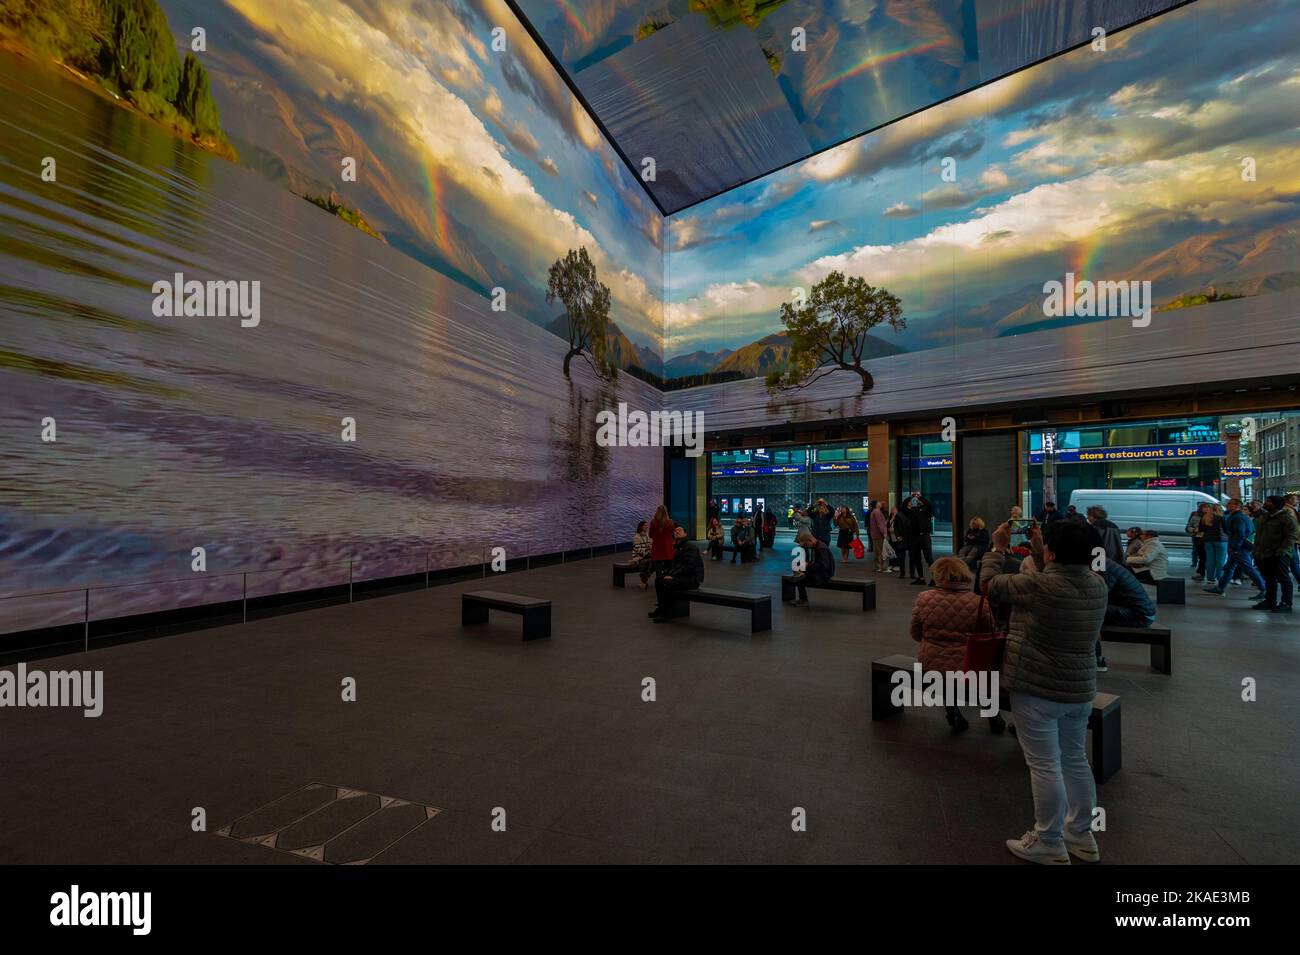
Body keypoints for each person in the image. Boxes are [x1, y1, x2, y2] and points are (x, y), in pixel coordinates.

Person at [981, 520, 1108, 865]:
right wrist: (1041, 548)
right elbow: (1060, 572)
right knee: (1075, 760)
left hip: (1036, 688)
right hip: (1080, 689)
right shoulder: (1098, 585)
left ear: (1052, 552)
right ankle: (1081, 834)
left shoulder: (1035, 586)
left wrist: (997, 548)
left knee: (1044, 764)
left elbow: (990, 585)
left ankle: (1048, 840)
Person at [909, 556, 1005, 734]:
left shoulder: (924, 598)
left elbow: (915, 633)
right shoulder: (979, 603)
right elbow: (989, 633)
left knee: (944, 676)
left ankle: (953, 713)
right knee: (982, 680)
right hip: (970, 663)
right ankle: (994, 717)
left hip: (932, 660)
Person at [1096, 560, 1156, 672]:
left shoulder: (1104, 569)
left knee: (1089, 612)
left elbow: (1099, 594)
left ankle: (1096, 660)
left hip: (1140, 615)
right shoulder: (1105, 564)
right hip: (1140, 611)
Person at [1206, 498, 1265, 597]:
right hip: (1239, 546)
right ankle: (1220, 588)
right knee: (1229, 568)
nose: (1228, 505)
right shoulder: (1238, 516)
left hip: (1240, 548)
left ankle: (1264, 589)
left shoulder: (1238, 518)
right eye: (1228, 503)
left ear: (1237, 506)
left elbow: (1240, 534)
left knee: (1248, 569)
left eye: (1230, 504)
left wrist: (1235, 548)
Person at [1253, 495, 1298, 613]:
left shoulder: (1287, 518)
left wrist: (1282, 551)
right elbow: (1259, 536)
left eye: (1269, 501)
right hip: (1264, 553)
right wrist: (1256, 550)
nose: (1266, 503)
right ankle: (1270, 601)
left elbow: (1291, 536)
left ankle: (1286, 603)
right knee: (1269, 578)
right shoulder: (1265, 517)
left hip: (1279, 554)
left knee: (1284, 578)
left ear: (1276, 504)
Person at [649, 526, 704, 622]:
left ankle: (667, 612)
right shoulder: (678, 547)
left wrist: (672, 576)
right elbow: (675, 566)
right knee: (659, 580)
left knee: (667, 583)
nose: (677, 531)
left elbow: (688, 566)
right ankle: (662, 608)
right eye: (675, 530)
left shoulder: (689, 546)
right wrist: (668, 574)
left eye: (680, 530)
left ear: (685, 534)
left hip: (693, 579)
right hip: (684, 576)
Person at [791, 529, 835, 605]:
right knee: (799, 573)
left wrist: (808, 565)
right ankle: (803, 599)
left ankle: (803, 599)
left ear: (810, 540)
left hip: (824, 574)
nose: (807, 547)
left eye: (806, 545)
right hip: (822, 571)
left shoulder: (821, 549)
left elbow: (823, 566)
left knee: (800, 578)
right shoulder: (817, 546)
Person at [904, 491, 934, 585]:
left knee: (929, 558)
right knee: (916, 558)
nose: (916, 500)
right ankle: (921, 578)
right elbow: (903, 507)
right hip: (914, 537)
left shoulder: (926, 510)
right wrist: (910, 497)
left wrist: (920, 497)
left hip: (924, 536)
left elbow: (929, 504)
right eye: (915, 499)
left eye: (918, 499)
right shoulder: (911, 511)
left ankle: (934, 578)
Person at [1200, 504, 1227, 588]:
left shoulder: (1205, 518)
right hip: (1221, 540)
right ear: (1220, 510)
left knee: (1209, 560)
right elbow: (1226, 530)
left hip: (1208, 540)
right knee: (1220, 560)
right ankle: (1220, 577)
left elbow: (1201, 529)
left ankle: (1210, 578)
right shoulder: (1221, 518)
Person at [648, 505, 676, 585]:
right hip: (667, 547)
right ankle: (668, 583)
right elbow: (673, 534)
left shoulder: (653, 522)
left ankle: (659, 584)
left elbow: (650, 535)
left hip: (657, 547)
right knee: (669, 567)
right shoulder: (670, 522)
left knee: (658, 568)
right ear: (666, 512)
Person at [628, 520, 653, 590]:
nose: (647, 527)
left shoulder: (648, 535)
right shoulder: (636, 537)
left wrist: (649, 548)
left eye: (647, 525)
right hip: (639, 557)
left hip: (648, 555)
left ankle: (644, 579)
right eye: (645, 525)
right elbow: (638, 550)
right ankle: (644, 580)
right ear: (641, 527)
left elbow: (651, 546)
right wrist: (648, 550)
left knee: (653, 561)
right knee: (648, 561)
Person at [1186, 503, 1209, 580]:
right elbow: (1188, 527)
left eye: (1207, 507)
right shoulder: (1195, 516)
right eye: (1204, 507)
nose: (1206, 509)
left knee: (1205, 557)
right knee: (1201, 555)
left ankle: (1203, 572)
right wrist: (1193, 530)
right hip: (1197, 537)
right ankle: (1200, 571)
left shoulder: (1210, 517)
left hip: (1207, 538)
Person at [869, 501, 890, 573]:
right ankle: (882, 567)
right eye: (879, 503)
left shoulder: (873, 512)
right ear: (876, 505)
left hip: (874, 534)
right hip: (879, 535)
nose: (880, 503)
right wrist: (884, 533)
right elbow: (880, 524)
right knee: (882, 551)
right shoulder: (877, 512)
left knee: (876, 551)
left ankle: (877, 567)